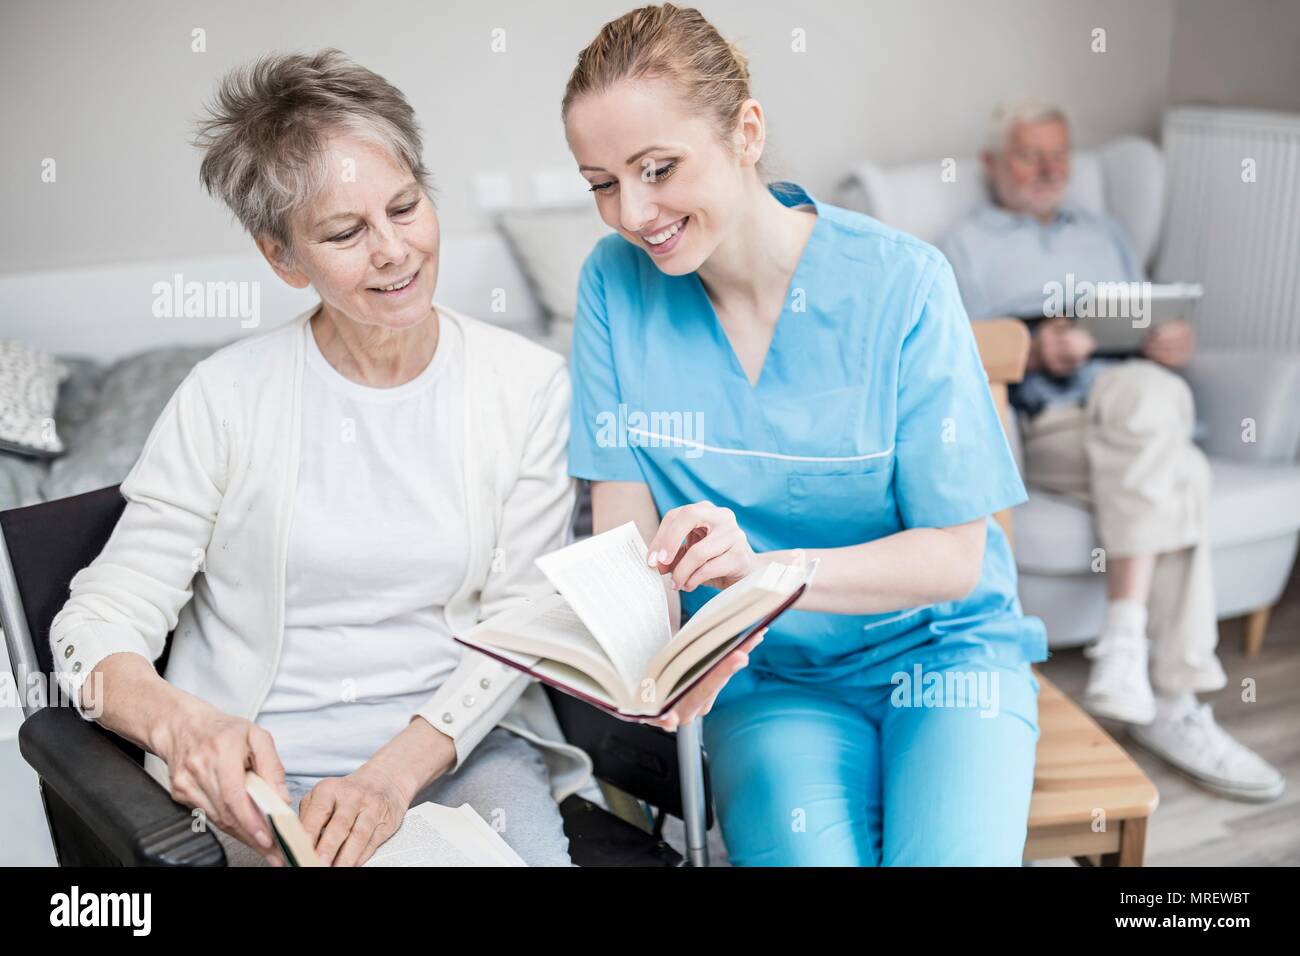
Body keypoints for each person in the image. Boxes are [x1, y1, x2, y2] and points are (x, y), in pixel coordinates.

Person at [48, 50, 595, 867]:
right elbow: (91, 627)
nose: (393, 251)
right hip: (259, 780)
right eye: (345, 233)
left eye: (405, 207)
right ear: (281, 256)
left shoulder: (529, 389)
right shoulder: (224, 395)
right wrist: (186, 729)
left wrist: (387, 780)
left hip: (455, 755)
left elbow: (519, 627)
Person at [562, 3, 1048, 865]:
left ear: (746, 131)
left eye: (658, 168)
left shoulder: (902, 285)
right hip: (768, 676)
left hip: (945, 652)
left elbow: (953, 560)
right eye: (603, 182)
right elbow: (622, 534)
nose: (632, 213)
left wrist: (770, 574)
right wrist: (650, 654)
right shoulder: (613, 286)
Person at [935, 99, 1282, 802]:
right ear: (993, 164)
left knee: (1160, 417)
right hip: (1054, 424)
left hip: (1135, 408)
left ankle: (1134, 657)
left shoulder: (1107, 234)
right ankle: (1175, 699)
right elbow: (951, 352)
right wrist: (1035, 351)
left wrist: (1168, 343)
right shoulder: (964, 245)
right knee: (1170, 448)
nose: (1049, 169)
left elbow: (1149, 316)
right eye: (1031, 155)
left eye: (1060, 155)